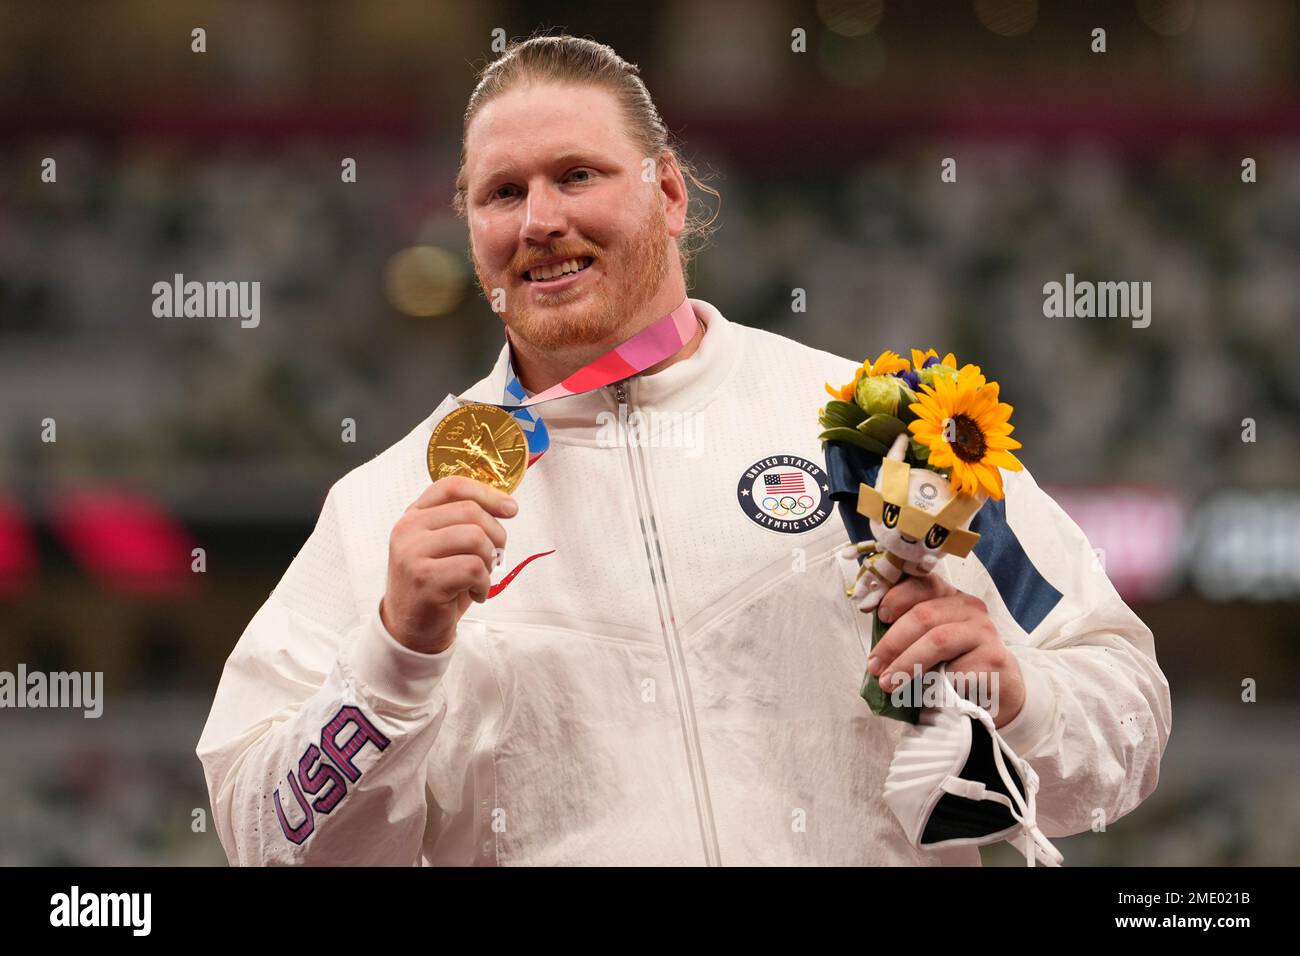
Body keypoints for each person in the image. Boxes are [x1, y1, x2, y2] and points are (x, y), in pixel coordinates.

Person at [197, 34, 1171, 866]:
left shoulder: (876, 424)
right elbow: (260, 829)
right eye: (502, 192)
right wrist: (395, 652)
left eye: (577, 174)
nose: (540, 220)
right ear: (470, 226)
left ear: (667, 190)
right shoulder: (389, 507)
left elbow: (1127, 708)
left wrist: (1020, 693)